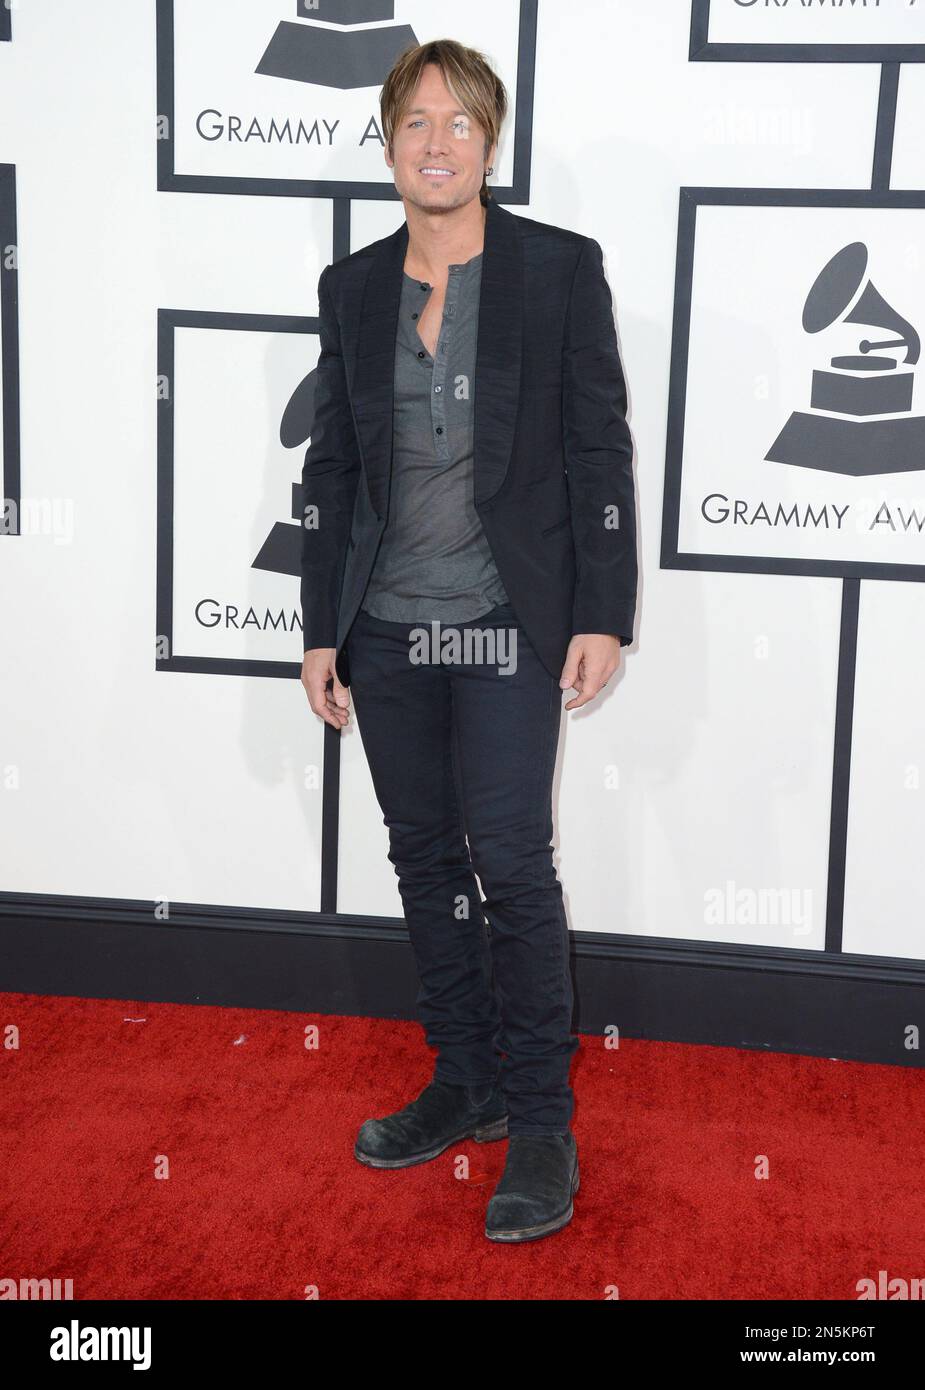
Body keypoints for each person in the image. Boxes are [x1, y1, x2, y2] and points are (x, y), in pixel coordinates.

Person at [300, 38, 637, 1243]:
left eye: (458, 122)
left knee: (514, 861)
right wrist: (319, 627)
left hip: (502, 624)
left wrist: (601, 608)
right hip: (384, 627)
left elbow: (598, 450)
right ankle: (466, 1076)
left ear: (490, 142)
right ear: (387, 144)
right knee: (423, 861)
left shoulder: (555, 270)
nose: (435, 143)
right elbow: (333, 468)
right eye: (413, 123)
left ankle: (541, 1119)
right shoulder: (351, 288)